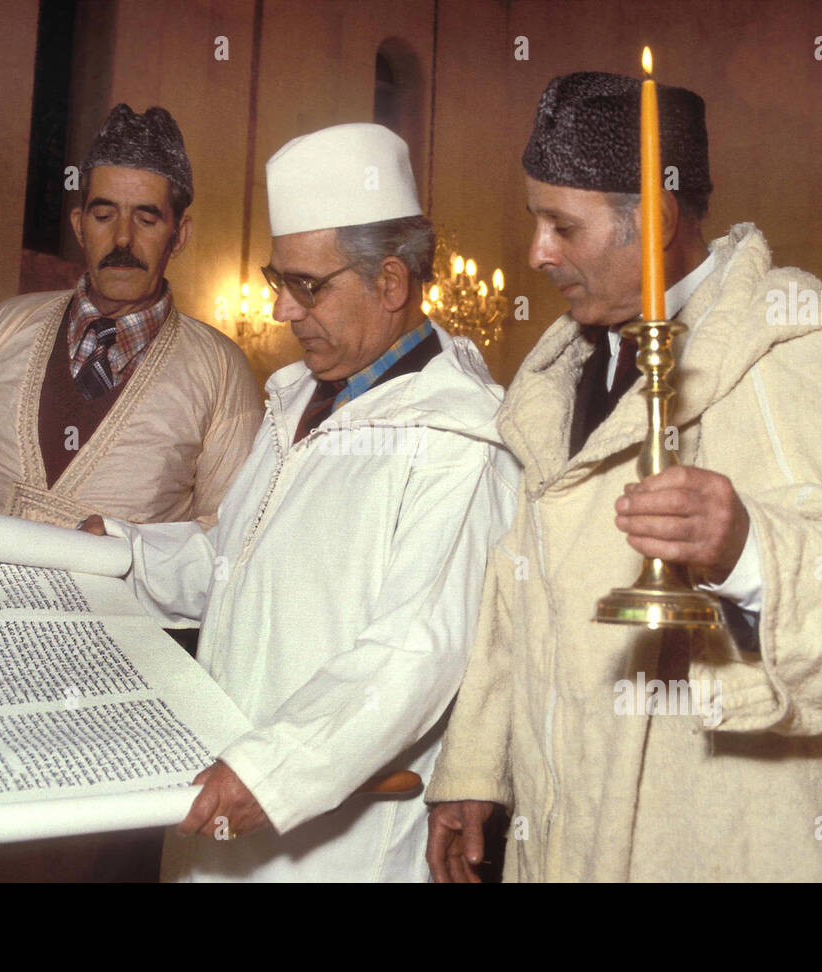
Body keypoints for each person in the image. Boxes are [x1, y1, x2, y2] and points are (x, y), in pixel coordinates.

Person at [424, 72, 822, 882]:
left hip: (730, 839)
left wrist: (745, 549)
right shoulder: (566, 368)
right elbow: (520, 585)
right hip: (569, 825)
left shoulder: (800, 347)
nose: (536, 251)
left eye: (561, 225)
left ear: (658, 220)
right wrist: (476, 770)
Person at [90, 123, 519, 881]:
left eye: (307, 286)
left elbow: (416, 651)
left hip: (328, 845)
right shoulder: (298, 402)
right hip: (220, 805)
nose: (283, 311)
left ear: (391, 283)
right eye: (276, 279)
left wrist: (272, 772)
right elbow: (234, 562)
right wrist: (114, 553)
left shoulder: (458, 435)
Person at [0, 103, 261, 530]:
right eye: (103, 215)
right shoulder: (7, 324)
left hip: (106, 600)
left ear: (180, 235)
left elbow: (229, 532)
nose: (122, 238)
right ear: (79, 226)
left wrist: (140, 553)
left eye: (147, 219)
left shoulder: (221, 372)